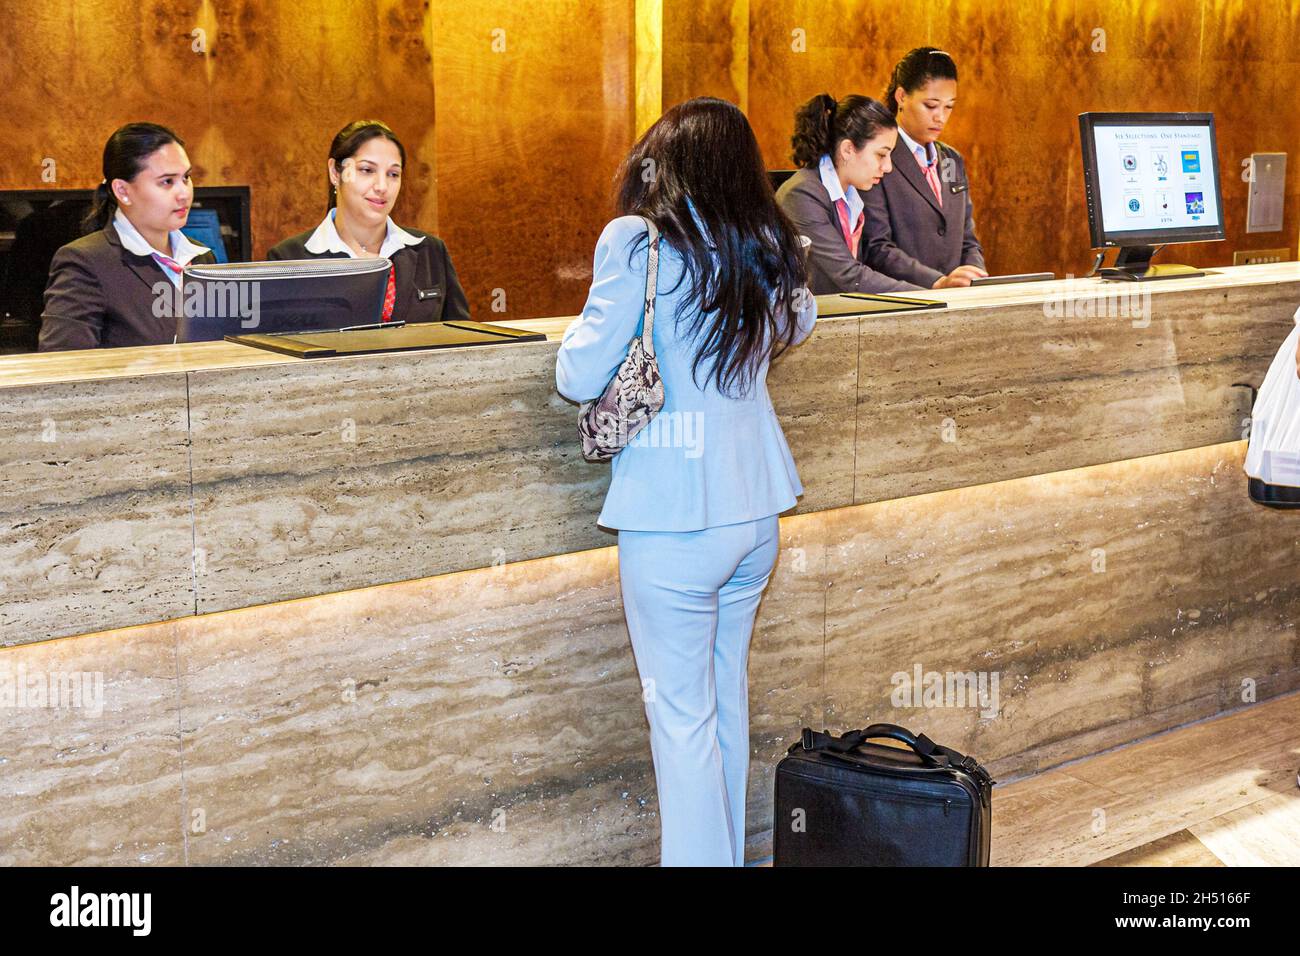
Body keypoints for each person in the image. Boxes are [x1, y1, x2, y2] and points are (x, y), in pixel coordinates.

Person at [555, 96, 817, 867]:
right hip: (755, 514)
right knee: (723, 701)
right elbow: (798, 327)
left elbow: (578, 373)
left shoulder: (638, 242)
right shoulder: (771, 245)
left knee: (680, 720)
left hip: (674, 521)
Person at [267, 120, 470, 324]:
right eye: (367, 170)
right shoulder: (287, 260)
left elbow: (462, 339)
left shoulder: (431, 252)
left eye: (393, 174)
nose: (382, 186)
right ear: (335, 173)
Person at [39, 123, 216, 350]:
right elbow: (63, 367)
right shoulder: (85, 262)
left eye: (186, 177)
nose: (184, 193)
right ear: (123, 191)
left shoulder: (201, 257)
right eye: (167, 181)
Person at [864, 47, 988, 288]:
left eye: (949, 106)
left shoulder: (952, 159)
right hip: (905, 302)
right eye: (931, 105)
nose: (940, 117)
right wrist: (938, 282)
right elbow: (877, 247)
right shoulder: (878, 157)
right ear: (901, 96)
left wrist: (975, 277)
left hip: (958, 303)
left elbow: (967, 240)